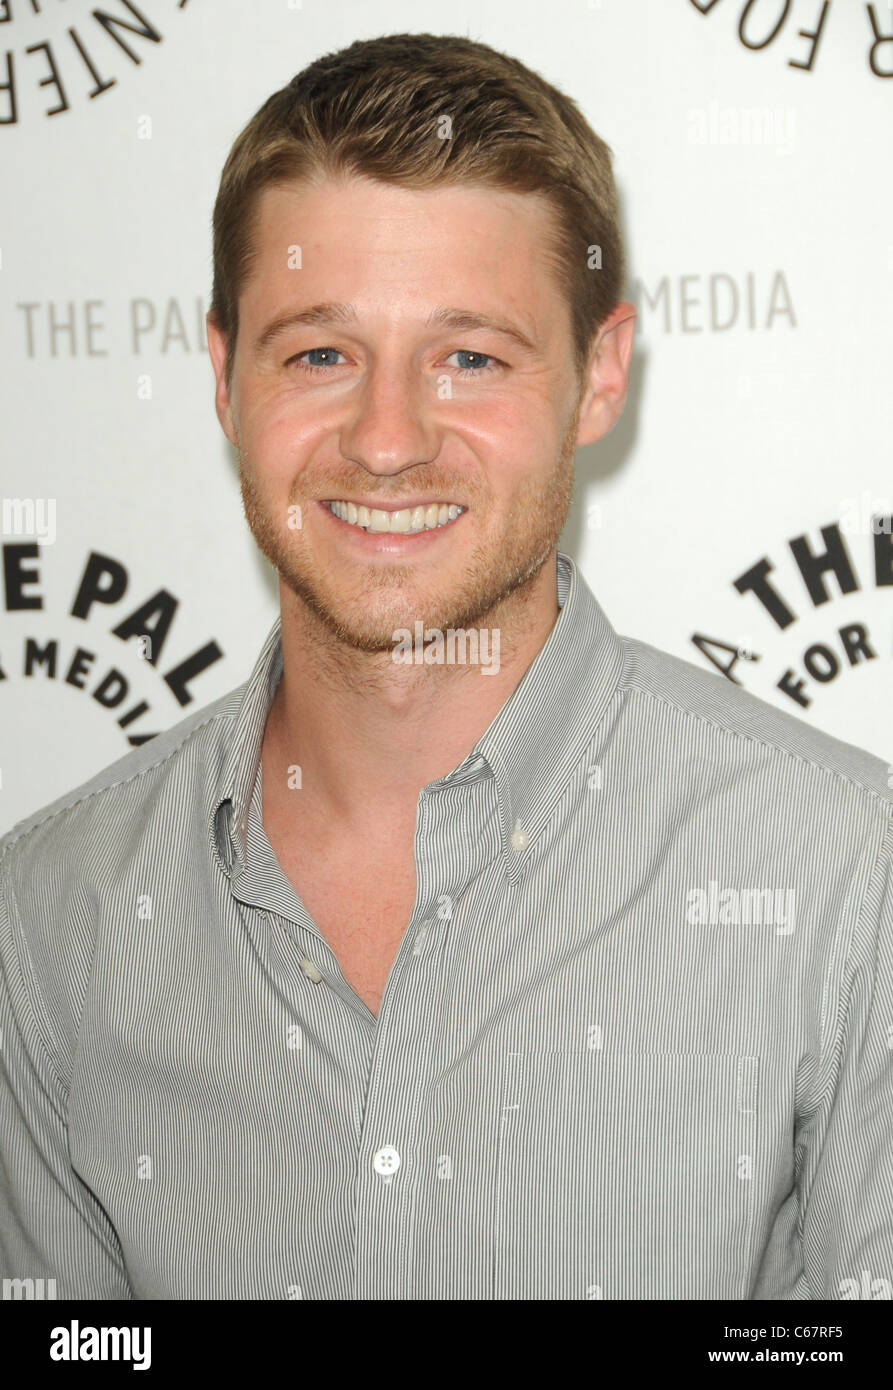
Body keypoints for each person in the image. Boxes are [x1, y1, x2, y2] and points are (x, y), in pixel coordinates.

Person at [1, 31, 891, 1302]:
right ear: (222, 377)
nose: (385, 439)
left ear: (598, 375)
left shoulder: (851, 884)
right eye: (320, 352)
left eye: (468, 356)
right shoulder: (47, 919)